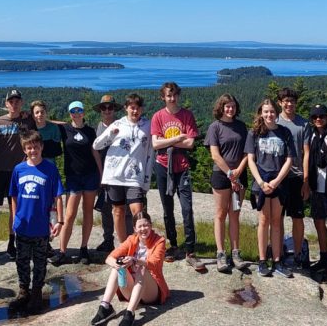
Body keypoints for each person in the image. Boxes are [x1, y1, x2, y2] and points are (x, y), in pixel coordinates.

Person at [8, 130, 65, 314]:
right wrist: (15, 217)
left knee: (40, 262)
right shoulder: (18, 169)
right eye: (29, 148)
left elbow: (58, 196)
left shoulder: (50, 168)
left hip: (41, 226)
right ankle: (24, 291)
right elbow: (14, 196)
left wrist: (60, 221)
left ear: (41, 147)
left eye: (36, 147)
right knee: (22, 260)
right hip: (23, 225)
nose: (33, 150)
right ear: (24, 149)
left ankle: (36, 293)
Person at [150, 82, 201, 269]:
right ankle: (173, 244)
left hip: (182, 166)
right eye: (168, 95)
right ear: (163, 97)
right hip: (162, 166)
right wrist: (178, 138)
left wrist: (167, 142)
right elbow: (155, 145)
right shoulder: (158, 117)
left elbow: (190, 144)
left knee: (187, 209)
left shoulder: (186, 115)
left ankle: (190, 250)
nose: (172, 98)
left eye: (174, 95)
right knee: (167, 208)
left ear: (178, 96)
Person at [90, 211, 168, 326]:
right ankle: (105, 307)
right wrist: (118, 263)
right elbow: (109, 258)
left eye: (146, 225)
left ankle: (130, 313)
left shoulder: (160, 241)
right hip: (132, 291)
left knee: (142, 268)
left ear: (151, 226)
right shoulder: (131, 239)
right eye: (140, 226)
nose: (143, 229)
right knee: (117, 267)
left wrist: (135, 260)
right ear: (135, 229)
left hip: (151, 292)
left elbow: (154, 264)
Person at [0, 89, 36, 264]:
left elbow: (46, 122)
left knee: (15, 208)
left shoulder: (28, 120)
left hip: (20, 171)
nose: (14, 104)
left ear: (21, 103)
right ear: (6, 104)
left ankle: (12, 244)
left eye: (17, 101)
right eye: (11, 101)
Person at [94, 93, 152, 247]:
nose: (135, 111)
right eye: (132, 108)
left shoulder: (148, 125)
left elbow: (151, 152)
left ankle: (139, 246)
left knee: (138, 213)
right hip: (115, 176)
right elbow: (96, 145)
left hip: (135, 177)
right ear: (126, 108)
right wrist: (110, 135)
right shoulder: (117, 124)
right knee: (118, 211)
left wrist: (147, 179)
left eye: (138, 108)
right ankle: (124, 247)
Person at [246, 98, 295, 278]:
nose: (269, 115)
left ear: (277, 112)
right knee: (263, 221)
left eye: (272, 111)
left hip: (279, 182)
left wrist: (276, 181)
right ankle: (261, 260)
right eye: (265, 112)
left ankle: (277, 260)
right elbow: (251, 159)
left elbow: (289, 159)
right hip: (261, 182)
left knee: (276, 222)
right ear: (261, 113)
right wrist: (260, 182)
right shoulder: (254, 133)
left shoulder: (284, 132)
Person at [205, 94, 248, 273]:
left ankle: (236, 253)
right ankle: (221, 253)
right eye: (226, 106)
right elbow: (215, 154)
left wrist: (238, 171)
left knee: (235, 214)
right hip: (222, 175)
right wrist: (230, 174)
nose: (230, 110)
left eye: (232, 106)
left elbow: (248, 152)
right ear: (221, 108)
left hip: (240, 173)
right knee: (221, 214)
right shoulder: (215, 127)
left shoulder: (241, 127)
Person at [56, 101, 102, 265]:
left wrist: (101, 174)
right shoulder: (64, 129)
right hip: (73, 177)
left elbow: (95, 152)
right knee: (69, 216)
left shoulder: (90, 131)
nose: (76, 113)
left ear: (83, 112)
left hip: (90, 175)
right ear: (69, 113)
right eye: (73, 111)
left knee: (88, 212)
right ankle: (62, 250)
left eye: (79, 110)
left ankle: (84, 248)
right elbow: (48, 122)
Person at [302, 104, 327, 283]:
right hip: (316, 187)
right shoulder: (312, 136)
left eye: (322, 116)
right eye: (315, 117)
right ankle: (324, 257)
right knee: (319, 223)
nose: (318, 119)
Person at [275, 88, 310, 269]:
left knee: (297, 217)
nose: (289, 104)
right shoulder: (274, 122)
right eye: (286, 101)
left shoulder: (303, 124)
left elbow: (306, 153)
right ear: (280, 102)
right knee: (278, 217)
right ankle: (278, 253)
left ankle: (297, 255)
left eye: (292, 101)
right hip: (278, 177)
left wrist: (306, 181)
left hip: (296, 177)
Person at [92, 95, 120, 252]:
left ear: (114, 109)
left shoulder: (121, 125)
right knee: (105, 207)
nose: (107, 110)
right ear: (100, 110)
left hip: (120, 173)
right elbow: (94, 149)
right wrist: (100, 172)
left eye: (110, 107)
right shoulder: (98, 128)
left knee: (122, 209)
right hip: (104, 172)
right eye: (104, 107)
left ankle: (128, 240)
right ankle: (108, 239)